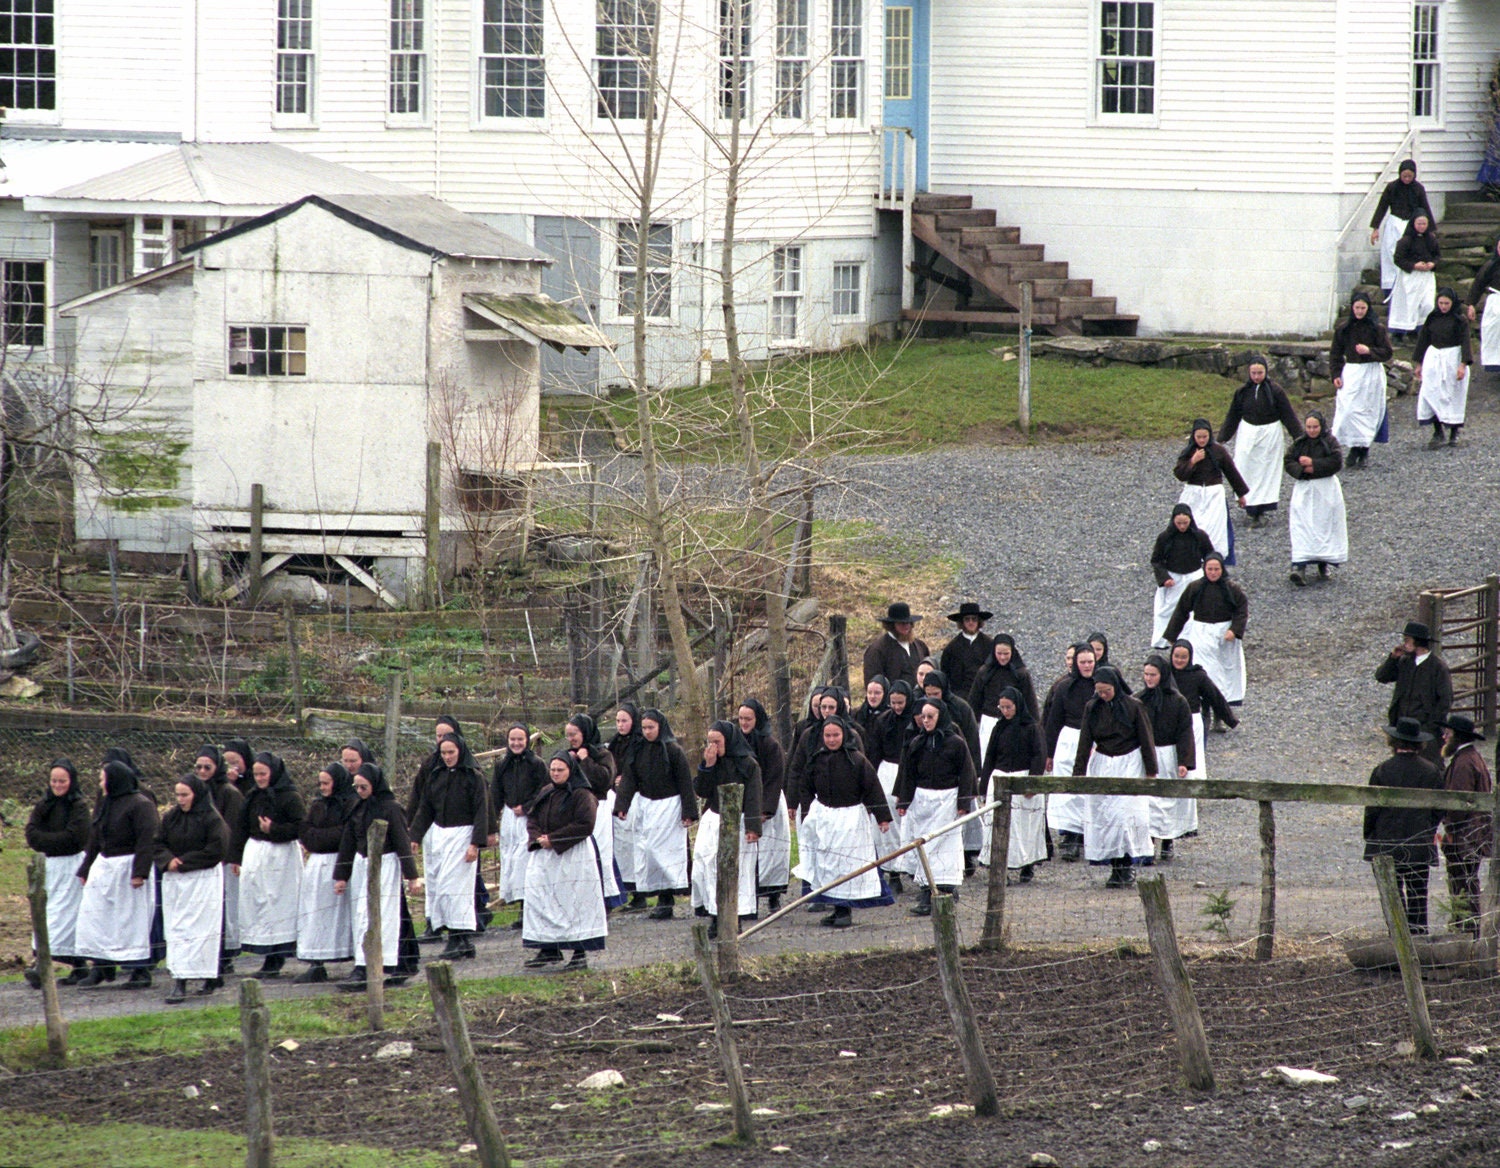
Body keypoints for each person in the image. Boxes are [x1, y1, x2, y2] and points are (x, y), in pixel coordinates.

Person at [797, 717, 894, 928]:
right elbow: (804, 785)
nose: (831, 740)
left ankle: (845, 909)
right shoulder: (817, 759)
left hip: (850, 818)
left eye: (836, 735)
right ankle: (835, 907)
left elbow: (873, 788)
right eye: (828, 736)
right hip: (826, 818)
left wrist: (882, 817)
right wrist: (809, 810)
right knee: (828, 864)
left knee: (846, 864)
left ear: (844, 735)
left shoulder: (857, 760)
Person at [74, 760, 160, 989]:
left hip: (129, 867)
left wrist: (140, 872)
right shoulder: (106, 803)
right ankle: (101, 965)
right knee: (98, 917)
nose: (100, 783)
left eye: (103, 778)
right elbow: (95, 836)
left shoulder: (141, 804)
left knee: (131, 920)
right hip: (105, 866)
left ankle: (139, 970)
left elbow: (147, 839)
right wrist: (85, 868)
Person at [334, 762, 421, 987]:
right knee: (362, 914)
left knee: (384, 913)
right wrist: (341, 875)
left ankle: (385, 963)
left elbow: (402, 842)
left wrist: (412, 876)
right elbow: (348, 842)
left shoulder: (391, 808)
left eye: (364, 787)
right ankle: (362, 963)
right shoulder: (357, 807)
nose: (360, 792)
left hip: (385, 865)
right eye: (357, 788)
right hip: (363, 865)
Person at [1072, 665, 1158, 888]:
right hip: (1102, 763)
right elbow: (1085, 740)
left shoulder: (1134, 706)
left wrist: (1151, 770)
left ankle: (1127, 865)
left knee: (1125, 816)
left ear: (1115, 686)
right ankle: (1115, 867)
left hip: (1129, 762)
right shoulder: (1092, 708)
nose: (1103, 695)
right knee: (1105, 817)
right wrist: (1078, 772)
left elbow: (1146, 738)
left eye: (1106, 691)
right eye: (1099, 691)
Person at [521, 752, 607, 972]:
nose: (556, 774)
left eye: (560, 770)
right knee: (541, 898)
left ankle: (579, 953)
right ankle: (549, 948)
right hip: (545, 855)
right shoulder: (546, 792)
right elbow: (532, 818)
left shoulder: (582, 794)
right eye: (553, 770)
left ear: (571, 770)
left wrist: (555, 839)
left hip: (573, 855)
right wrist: (538, 838)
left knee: (574, 901)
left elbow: (585, 824)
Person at [410, 733, 488, 962]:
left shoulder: (473, 777)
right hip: (440, 836)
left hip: (463, 836)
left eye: (451, 752)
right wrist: (415, 835)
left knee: (453, 888)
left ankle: (457, 936)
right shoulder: (436, 776)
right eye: (443, 753)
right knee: (441, 886)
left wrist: (475, 843)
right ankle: (462, 940)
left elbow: (481, 810)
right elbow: (425, 808)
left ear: (460, 751)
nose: (447, 757)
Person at [896, 698, 977, 915]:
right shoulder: (917, 743)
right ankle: (926, 890)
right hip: (923, 801)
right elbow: (908, 774)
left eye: (930, 717)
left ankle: (946, 888)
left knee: (946, 847)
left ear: (940, 716)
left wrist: (963, 803)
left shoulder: (956, 743)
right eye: (923, 717)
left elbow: (967, 772)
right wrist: (904, 801)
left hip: (947, 801)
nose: (926, 721)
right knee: (924, 846)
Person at [154, 773, 230, 1003]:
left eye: (185, 795)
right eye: (177, 795)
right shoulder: (171, 818)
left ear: (196, 795)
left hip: (202, 881)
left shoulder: (211, 819)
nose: (180, 799)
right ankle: (179, 977)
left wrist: (185, 862)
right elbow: (157, 842)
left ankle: (206, 975)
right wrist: (168, 860)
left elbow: (217, 849)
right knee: (178, 929)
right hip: (176, 882)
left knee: (200, 930)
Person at [1363, 718, 1443, 935]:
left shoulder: (1382, 770)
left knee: (1392, 894)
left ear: (1393, 741)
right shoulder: (1432, 771)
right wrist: (1428, 827)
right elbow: (1439, 808)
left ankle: (1398, 938)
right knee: (1418, 894)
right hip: (1419, 842)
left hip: (1386, 842)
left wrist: (1370, 834)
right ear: (1419, 743)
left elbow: (1372, 809)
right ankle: (1418, 939)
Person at [615, 708, 697, 920]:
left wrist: (689, 811)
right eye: (644, 728)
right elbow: (629, 779)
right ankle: (655, 892)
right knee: (647, 852)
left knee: (666, 854)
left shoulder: (673, 751)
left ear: (660, 727)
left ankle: (667, 897)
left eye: (651, 727)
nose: (647, 732)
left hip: (669, 807)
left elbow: (685, 783)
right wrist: (622, 804)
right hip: (646, 805)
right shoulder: (638, 749)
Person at [233, 752, 304, 979]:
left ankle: (278, 955)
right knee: (259, 903)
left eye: (263, 774)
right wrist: (235, 857)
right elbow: (241, 828)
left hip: (281, 856)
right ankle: (266, 954)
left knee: (280, 903)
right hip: (257, 853)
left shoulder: (290, 797)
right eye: (256, 774)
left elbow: (300, 827)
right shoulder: (253, 796)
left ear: (274, 772)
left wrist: (273, 830)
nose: (260, 778)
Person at [691, 721, 763, 936]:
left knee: (737, 871)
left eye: (717, 742)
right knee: (709, 868)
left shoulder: (748, 765)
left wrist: (753, 827)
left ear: (728, 741)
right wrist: (708, 766)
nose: (713, 745)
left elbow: (753, 797)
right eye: (709, 741)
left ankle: (735, 918)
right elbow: (702, 791)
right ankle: (714, 915)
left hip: (739, 822)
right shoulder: (712, 762)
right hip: (714, 820)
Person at [23, 760, 90, 988]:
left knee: (65, 916)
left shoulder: (78, 807)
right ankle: (48, 962)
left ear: (71, 781)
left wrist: (47, 841)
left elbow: (76, 837)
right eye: (54, 781)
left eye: (62, 781)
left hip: (71, 866)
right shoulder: (44, 805)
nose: (58, 785)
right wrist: (53, 841)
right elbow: (31, 834)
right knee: (46, 911)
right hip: (49, 866)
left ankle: (48, 965)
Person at [1218, 357, 1302, 529]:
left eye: (1260, 373)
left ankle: (1261, 509)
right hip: (1248, 432)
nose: (1256, 376)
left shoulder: (1276, 391)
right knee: (1245, 467)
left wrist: (1299, 438)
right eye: (1253, 373)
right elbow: (1232, 416)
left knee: (1266, 470)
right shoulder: (1242, 392)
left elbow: (1288, 415)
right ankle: (1249, 506)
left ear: (1266, 372)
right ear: (1249, 373)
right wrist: (1221, 438)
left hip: (1270, 434)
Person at [294, 762, 357, 984]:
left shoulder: (349, 804)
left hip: (338, 862)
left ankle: (349, 956)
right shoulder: (318, 805)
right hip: (316, 864)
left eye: (326, 783)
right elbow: (305, 831)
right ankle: (315, 962)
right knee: (315, 912)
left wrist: (318, 837)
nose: (322, 787)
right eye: (320, 783)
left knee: (338, 912)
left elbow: (345, 834)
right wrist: (318, 837)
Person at [977, 687, 1048, 882]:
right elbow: (990, 757)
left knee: (1024, 826)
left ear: (1018, 705)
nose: (1006, 711)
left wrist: (1031, 783)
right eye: (1002, 707)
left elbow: (1039, 755)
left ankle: (1027, 864)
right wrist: (983, 786)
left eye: (1009, 707)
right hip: (1000, 778)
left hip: (1023, 780)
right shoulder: (998, 728)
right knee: (998, 825)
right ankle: (1001, 868)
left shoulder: (1032, 727)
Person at [1162, 553, 1248, 709]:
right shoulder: (1195, 587)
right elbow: (1181, 611)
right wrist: (1172, 635)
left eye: (1216, 569)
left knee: (1227, 670)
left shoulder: (1232, 589)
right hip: (1201, 632)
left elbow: (1242, 610)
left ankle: (1221, 711)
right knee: (1206, 670)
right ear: (1204, 569)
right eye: (1210, 569)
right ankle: (1206, 706)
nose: (1213, 572)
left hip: (1225, 633)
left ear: (1222, 569)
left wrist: (1234, 630)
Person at [1437, 715, 1493, 934]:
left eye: (1448, 734)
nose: (1444, 737)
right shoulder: (1472, 757)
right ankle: (1468, 931)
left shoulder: (1463, 763)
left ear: (1457, 737)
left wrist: (1450, 829)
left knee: (1463, 886)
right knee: (1467, 883)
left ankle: (1468, 933)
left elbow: (1458, 803)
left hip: (1465, 837)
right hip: (1474, 835)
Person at [1043, 642, 1098, 860]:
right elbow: (1053, 720)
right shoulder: (1064, 686)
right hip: (1068, 740)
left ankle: (1090, 834)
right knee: (1067, 791)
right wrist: (1049, 752)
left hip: (1094, 740)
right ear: (1076, 663)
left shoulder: (1102, 682)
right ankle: (1070, 837)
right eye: (1083, 662)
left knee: (1090, 789)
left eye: (1090, 662)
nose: (1087, 666)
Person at [193, 746, 244, 979]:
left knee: (223, 908)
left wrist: (232, 858)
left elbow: (233, 829)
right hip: (201, 860)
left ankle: (224, 956)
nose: (202, 771)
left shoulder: (228, 793)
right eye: (199, 767)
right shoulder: (195, 791)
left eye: (207, 767)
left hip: (222, 861)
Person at [1140, 655, 1197, 860]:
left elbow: (1185, 733)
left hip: (1169, 755)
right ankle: (1148, 842)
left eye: (1153, 674)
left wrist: (1185, 761)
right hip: (1147, 755)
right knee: (1148, 801)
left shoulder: (1178, 702)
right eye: (1146, 674)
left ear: (1162, 675)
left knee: (1168, 799)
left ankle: (1167, 841)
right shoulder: (1139, 700)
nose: (1149, 678)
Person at [491, 724, 548, 927]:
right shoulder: (502, 765)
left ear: (527, 741)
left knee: (525, 861)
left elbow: (543, 790)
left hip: (528, 819)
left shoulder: (536, 764)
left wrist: (526, 807)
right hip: (509, 818)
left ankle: (528, 910)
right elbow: (496, 793)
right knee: (510, 860)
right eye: (512, 740)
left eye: (520, 739)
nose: (516, 743)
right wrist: (492, 821)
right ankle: (519, 907)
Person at [1330, 292, 1394, 467]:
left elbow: (1387, 352)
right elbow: (1335, 353)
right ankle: (1353, 446)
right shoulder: (1344, 329)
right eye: (1357, 308)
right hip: (1351, 372)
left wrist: (1370, 351)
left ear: (1368, 308)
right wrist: (1335, 374)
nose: (1359, 311)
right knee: (1349, 409)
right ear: (1352, 307)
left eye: (1363, 308)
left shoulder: (1377, 329)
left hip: (1371, 373)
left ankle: (1363, 449)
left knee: (1367, 411)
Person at [1284, 410, 1347, 587]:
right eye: (1309, 427)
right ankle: (1299, 566)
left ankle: (1323, 563)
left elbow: (1336, 461)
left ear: (1321, 426)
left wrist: (1314, 465)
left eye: (1315, 427)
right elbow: (1288, 461)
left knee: (1323, 524)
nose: (1312, 430)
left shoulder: (1330, 442)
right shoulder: (1299, 443)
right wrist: (1302, 471)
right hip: (1305, 489)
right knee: (1301, 525)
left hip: (1325, 489)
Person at [1376, 620, 1453, 766]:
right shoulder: (1404, 662)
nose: (1404, 644)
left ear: (1418, 642)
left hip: (1426, 732)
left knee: (1429, 768)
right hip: (1402, 730)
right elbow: (1381, 677)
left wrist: (1429, 727)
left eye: (1407, 640)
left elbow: (1445, 701)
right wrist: (1392, 658)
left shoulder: (1437, 667)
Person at [565, 715, 622, 908]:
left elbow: (604, 780)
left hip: (599, 806)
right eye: (568, 735)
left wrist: (585, 760)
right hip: (576, 808)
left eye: (574, 734)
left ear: (585, 733)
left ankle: (605, 899)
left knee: (601, 852)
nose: (571, 739)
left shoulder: (602, 754)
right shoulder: (567, 755)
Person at [738, 698, 790, 910]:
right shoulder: (736, 742)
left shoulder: (770, 745)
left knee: (772, 851)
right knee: (749, 854)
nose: (744, 722)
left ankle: (774, 896)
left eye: (748, 718)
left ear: (757, 719)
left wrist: (765, 809)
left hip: (769, 802)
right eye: (741, 718)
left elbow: (775, 778)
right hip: (746, 804)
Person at [1173, 418, 1248, 560]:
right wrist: (1192, 461)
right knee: (1193, 525)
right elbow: (1180, 474)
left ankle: (1214, 558)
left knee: (1215, 527)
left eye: (1205, 437)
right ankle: (1191, 557)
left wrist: (1240, 494)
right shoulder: (1188, 452)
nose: (1202, 440)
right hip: (1193, 493)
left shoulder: (1218, 451)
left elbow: (1231, 472)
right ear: (1193, 436)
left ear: (1210, 435)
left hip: (1214, 494)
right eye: (1199, 437)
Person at [1413, 288, 1473, 448]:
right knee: (1430, 391)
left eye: (1447, 303)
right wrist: (1419, 363)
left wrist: (1463, 364)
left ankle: (1454, 432)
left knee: (1453, 394)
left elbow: (1465, 342)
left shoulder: (1460, 320)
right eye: (1441, 303)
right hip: (1434, 358)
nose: (1444, 306)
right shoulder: (1432, 318)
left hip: (1452, 357)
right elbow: (1423, 340)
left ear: (1452, 303)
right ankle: (1437, 431)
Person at [1150, 505, 1215, 647]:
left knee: (1195, 610)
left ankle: (1192, 639)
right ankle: (1164, 640)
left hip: (1195, 576)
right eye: (1179, 523)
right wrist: (1164, 578)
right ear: (1173, 521)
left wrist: (1210, 574)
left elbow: (1211, 556)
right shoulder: (1165, 537)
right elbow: (1156, 560)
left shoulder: (1200, 536)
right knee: (1167, 609)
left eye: (1185, 523)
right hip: (1174, 578)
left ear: (1190, 520)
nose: (1182, 526)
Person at [1370, 159, 1434, 294]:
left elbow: (1425, 208)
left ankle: (1407, 283)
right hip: (1394, 222)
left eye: (1409, 176)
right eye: (1404, 176)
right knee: (1390, 251)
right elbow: (1382, 207)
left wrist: (1430, 229)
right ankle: (1390, 285)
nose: (1406, 179)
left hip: (1411, 224)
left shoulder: (1418, 189)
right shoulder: (1392, 187)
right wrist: (1375, 228)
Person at [1170, 638, 1238, 756]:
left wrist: (1230, 719)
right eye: (1176, 656)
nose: (1179, 660)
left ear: (1190, 657)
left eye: (1183, 657)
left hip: (1192, 722)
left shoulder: (1198, 675)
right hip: (1169, 721)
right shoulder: (1165, 674)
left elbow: (1215, 697)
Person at [609, 704, 646, 910]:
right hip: (619, 797)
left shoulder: (640, 742)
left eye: (625, 721)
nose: (621, 725)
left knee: (637, 843)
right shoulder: (615, 743)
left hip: (637, 797)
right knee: (622, 846)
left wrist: (629, 778)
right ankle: (630, 890)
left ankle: (642, 892)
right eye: (618, 721)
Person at [969, 634, 1040, 727]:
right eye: (999, 653)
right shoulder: (985, 672)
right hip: (989, 721)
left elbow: (1030, 702)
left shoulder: (1020, 673)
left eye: (1006, 654)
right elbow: (974, 700)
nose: (1002, 657)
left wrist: (1035, 727)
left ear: (1012, 652)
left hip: (1014, 722)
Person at [1390, 211, 1441, 338]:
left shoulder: (1431, 239)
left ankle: (1419, 330)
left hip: (1426, 277)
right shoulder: (1405, 240)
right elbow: (1398, 259)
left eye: (1424, 223)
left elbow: (1437, 255)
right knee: (1408, 305)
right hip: (1410, 277)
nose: (1422, 226)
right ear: (1413, 224)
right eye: (1419, 223)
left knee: (1427, 303)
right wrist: (1413, 265)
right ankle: (1400, 334)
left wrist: (1432, 264)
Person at [862, 602, 930, 689]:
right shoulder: (877, 650)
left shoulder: (920, 646)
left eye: (908, 623)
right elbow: (873, 684)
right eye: (901, 623)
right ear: (892, 625)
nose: (906, 626)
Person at [940, 602, 995, 699]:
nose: (971, 622)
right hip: (959, 697)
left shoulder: (989, 644)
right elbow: (945, 675)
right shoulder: (951, 648)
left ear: (979, 621)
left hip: (984, 696)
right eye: (967, 619)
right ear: (962, 622)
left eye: (974, 619)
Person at [1464, 238, 1500, 373]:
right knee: (1493, 332)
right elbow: (1478, 284)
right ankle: (1495, 364)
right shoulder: (1491, 266)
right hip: (1496, 301)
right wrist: (1471, 304)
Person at [851, 675, 889, 742]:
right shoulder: (857, 713)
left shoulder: (890, 716)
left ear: (885, 693)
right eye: (869, 692)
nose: (872, 696)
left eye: (877, 693)